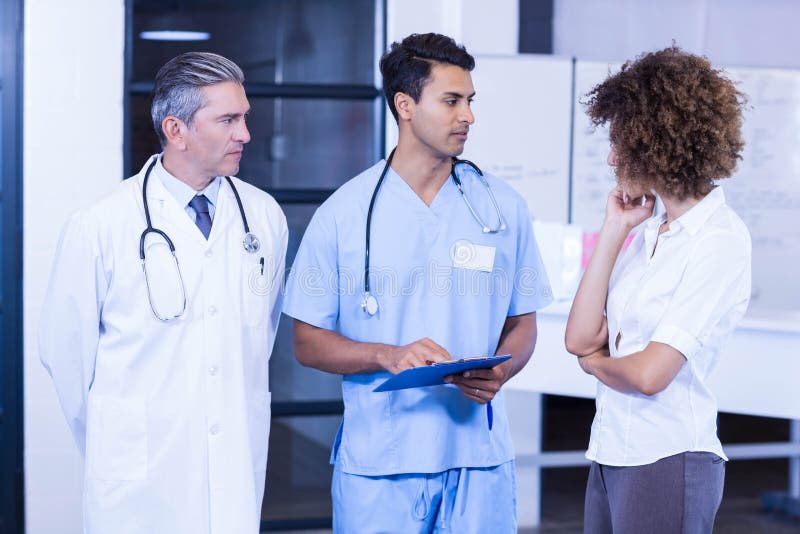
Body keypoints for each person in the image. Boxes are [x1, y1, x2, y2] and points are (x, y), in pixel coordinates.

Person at [283, 33, 552, 533]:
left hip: (478, 459)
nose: (468, 116)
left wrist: (503, 369)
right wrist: (387, 355)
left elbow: (523, 323)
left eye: (469, 100)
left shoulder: (501, 208)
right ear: (405, 106)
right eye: (451, 101)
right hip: (380, 462)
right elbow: (307, 341)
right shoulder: (344, 214)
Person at [39, 52, 287, 533]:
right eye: (228, 120)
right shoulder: (101, 225)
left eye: (244, 118)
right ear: (176, 130)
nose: (245, 134)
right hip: (138, 479)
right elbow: (66, 355)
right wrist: (115, 435)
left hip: (232, 467)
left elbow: (262, 334)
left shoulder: (263, 217)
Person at [564, 46, 751, 533]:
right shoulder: (649, 233)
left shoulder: (718, 239)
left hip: (668, 458)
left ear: (657, 141)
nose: (611, 157)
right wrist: (614, 229)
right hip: (610, 450)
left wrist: (594, 365)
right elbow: (578, 337)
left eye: (619, 142)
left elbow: (650, 374)